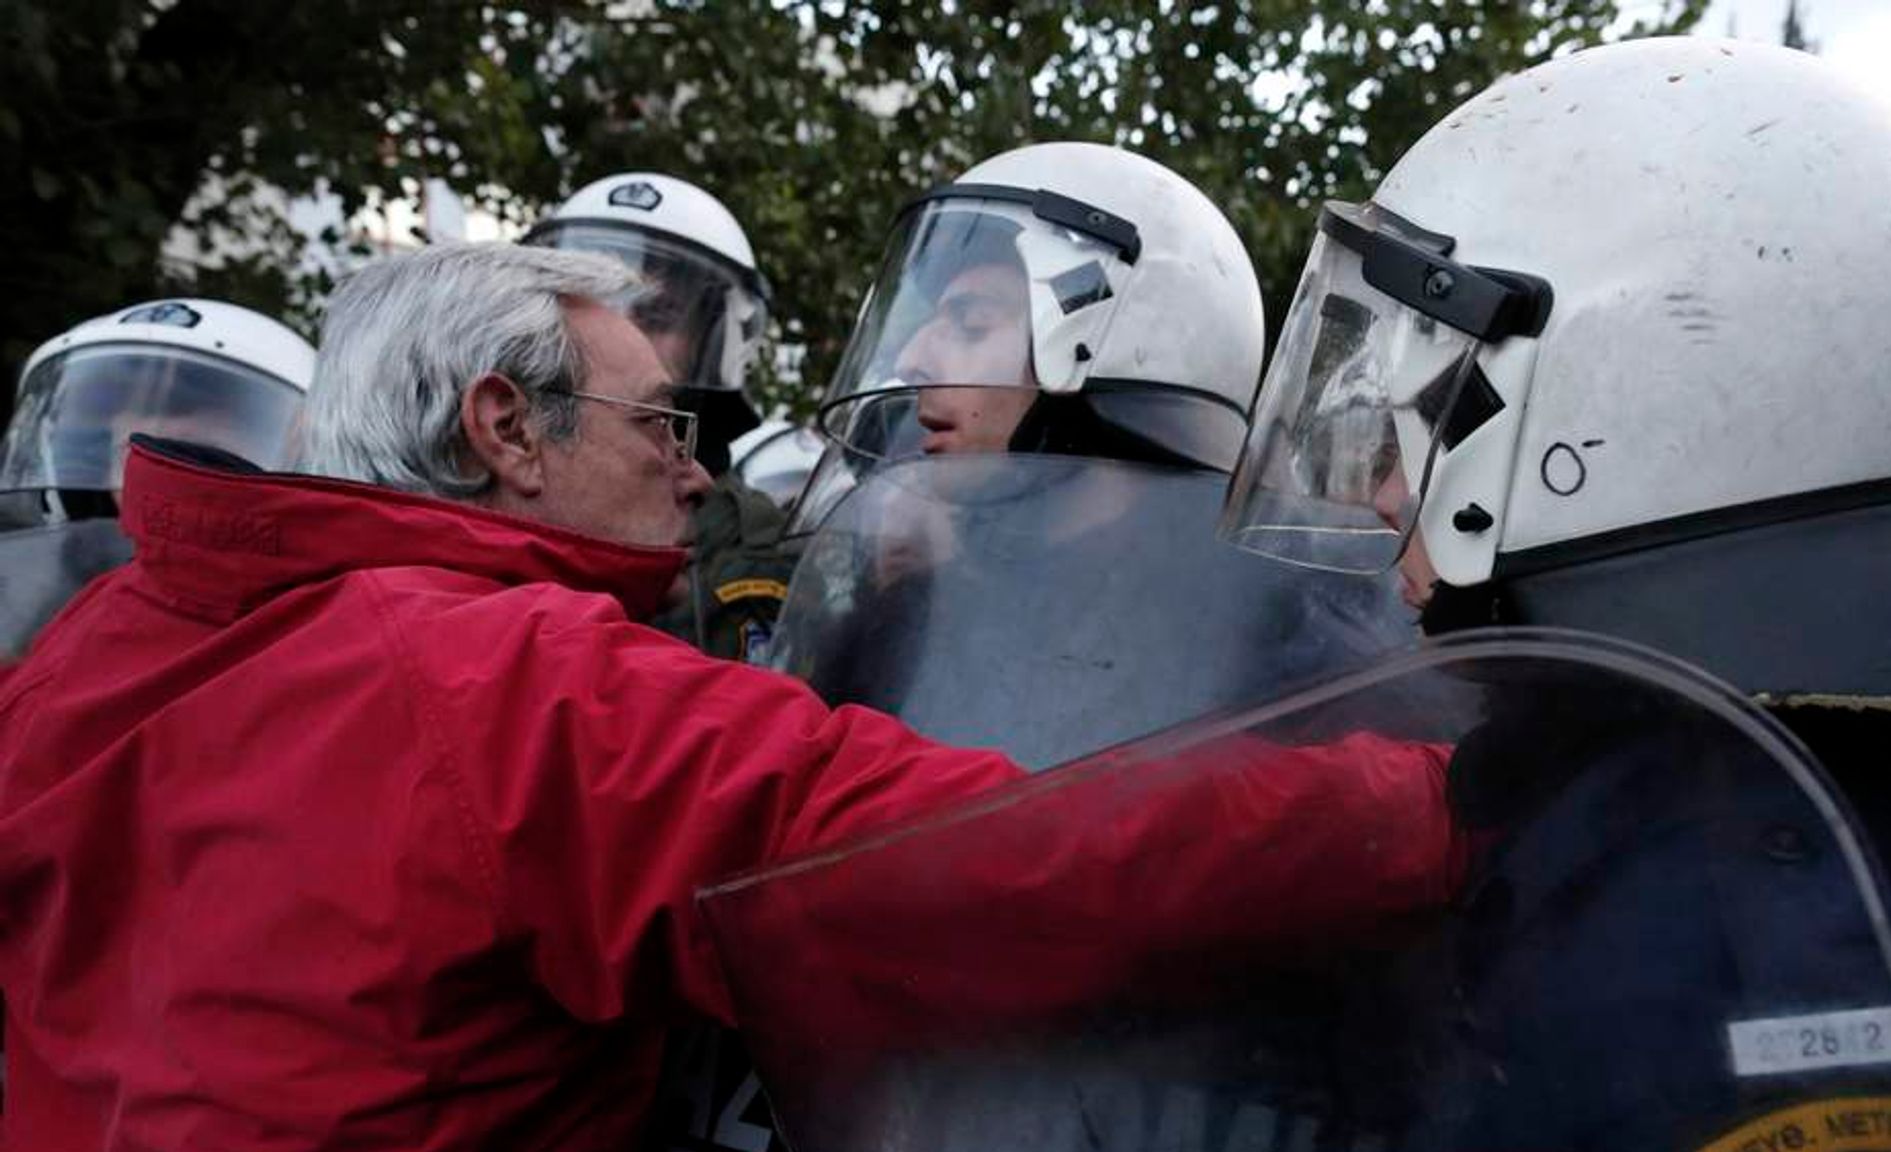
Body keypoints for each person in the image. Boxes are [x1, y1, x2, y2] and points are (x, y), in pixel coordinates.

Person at [0, 241, 1461, 1149]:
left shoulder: (93, 645)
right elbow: (974, 866)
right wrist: (1414, 807)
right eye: (657, 423)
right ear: (505, 428)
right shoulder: (510, 682)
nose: (698, 469)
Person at [1224, 36, 1891, 1150]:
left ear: (1630, 406)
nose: (1378, 492)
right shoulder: (1680, 800)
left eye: (1421, 418)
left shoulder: (1736, 925)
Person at [770, 142, 1412, 769]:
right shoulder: (914, 601)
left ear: (1116, 347)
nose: (912, 359)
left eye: (969, 325)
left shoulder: (1281, 615)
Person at [525, 172, 796, 662]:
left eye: (659, 315)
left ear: (709, 338)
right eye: (594, 309)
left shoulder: (759, 548)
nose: (621, 332)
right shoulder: (491, 495)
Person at [0, 297, 312, 658]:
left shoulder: (306, 625)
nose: (145, 424)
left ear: (296, 448)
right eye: (119, 407)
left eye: (192, 399)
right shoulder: (38, 588)